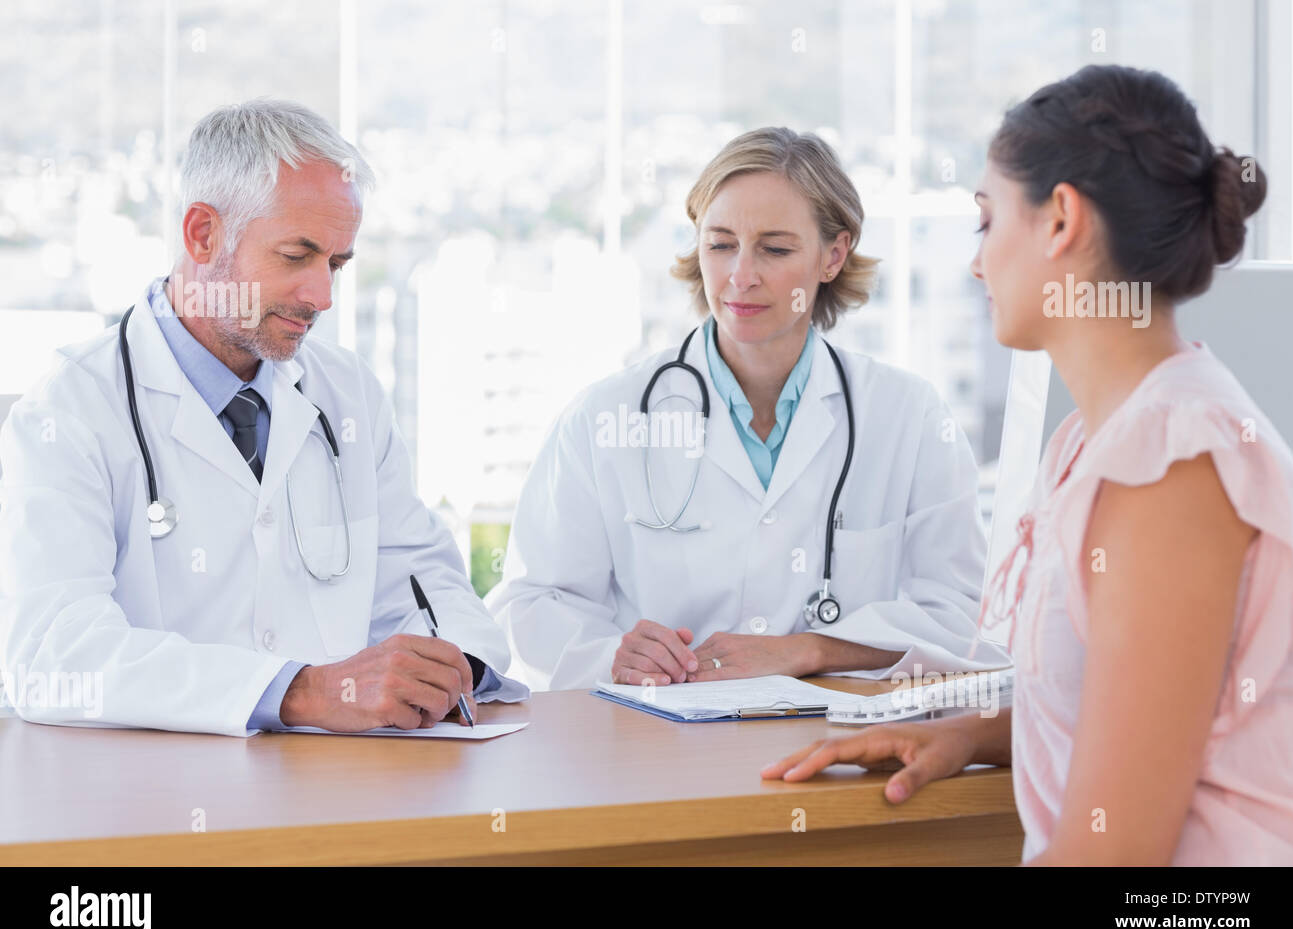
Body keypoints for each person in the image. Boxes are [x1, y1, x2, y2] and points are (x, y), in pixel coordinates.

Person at [763, 65, 1293, 865]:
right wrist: (971, 735)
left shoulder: (1171, 466)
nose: (977, 265)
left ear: (1060, 221)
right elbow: (1136, 707)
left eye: (986, 223)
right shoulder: (1094, 443)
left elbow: (1119, 860)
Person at [0, 100, 526, 737]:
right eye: (296, 256)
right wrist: (301, 692)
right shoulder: (70, 410)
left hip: (335, 787)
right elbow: (56, 654)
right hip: (149, 803)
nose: (323, 297)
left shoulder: (348, 393)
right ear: (202, 234)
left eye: (336, 264)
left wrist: (451, 666)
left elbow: (421, 581)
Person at [486, 127, 1009, 691]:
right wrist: (615, 655)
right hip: (658, 753)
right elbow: (529, 604)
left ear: (833, 255)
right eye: (720, 243)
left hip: (836, 752)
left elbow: (962, 614)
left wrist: (805, 651)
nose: (740, 276)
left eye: (775, 249)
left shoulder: (908, 416)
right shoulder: (604, 418)